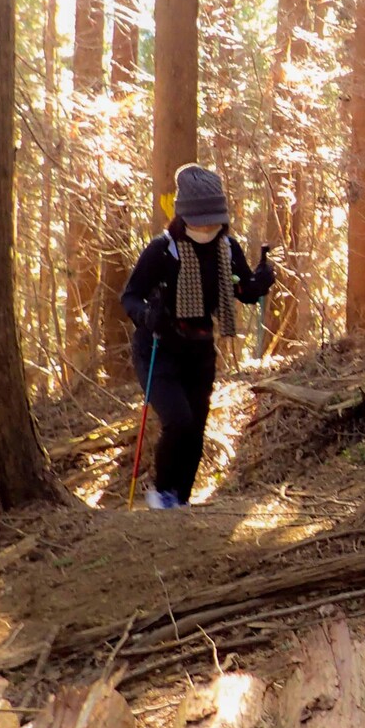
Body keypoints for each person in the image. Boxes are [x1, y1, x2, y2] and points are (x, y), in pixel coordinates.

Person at [120, 164, 273, 508]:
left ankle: (182, 501)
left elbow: (244, 290)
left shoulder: (227, 249)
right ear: (184, 217)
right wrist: (146, 315)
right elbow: (130, 296)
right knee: (178, 420)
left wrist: (260, 282)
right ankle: (163, 494)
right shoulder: (163, 251)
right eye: (200, 221)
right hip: (158, 348)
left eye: (213, 221)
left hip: (199, 350)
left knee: (195, 429)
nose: (206, 228)